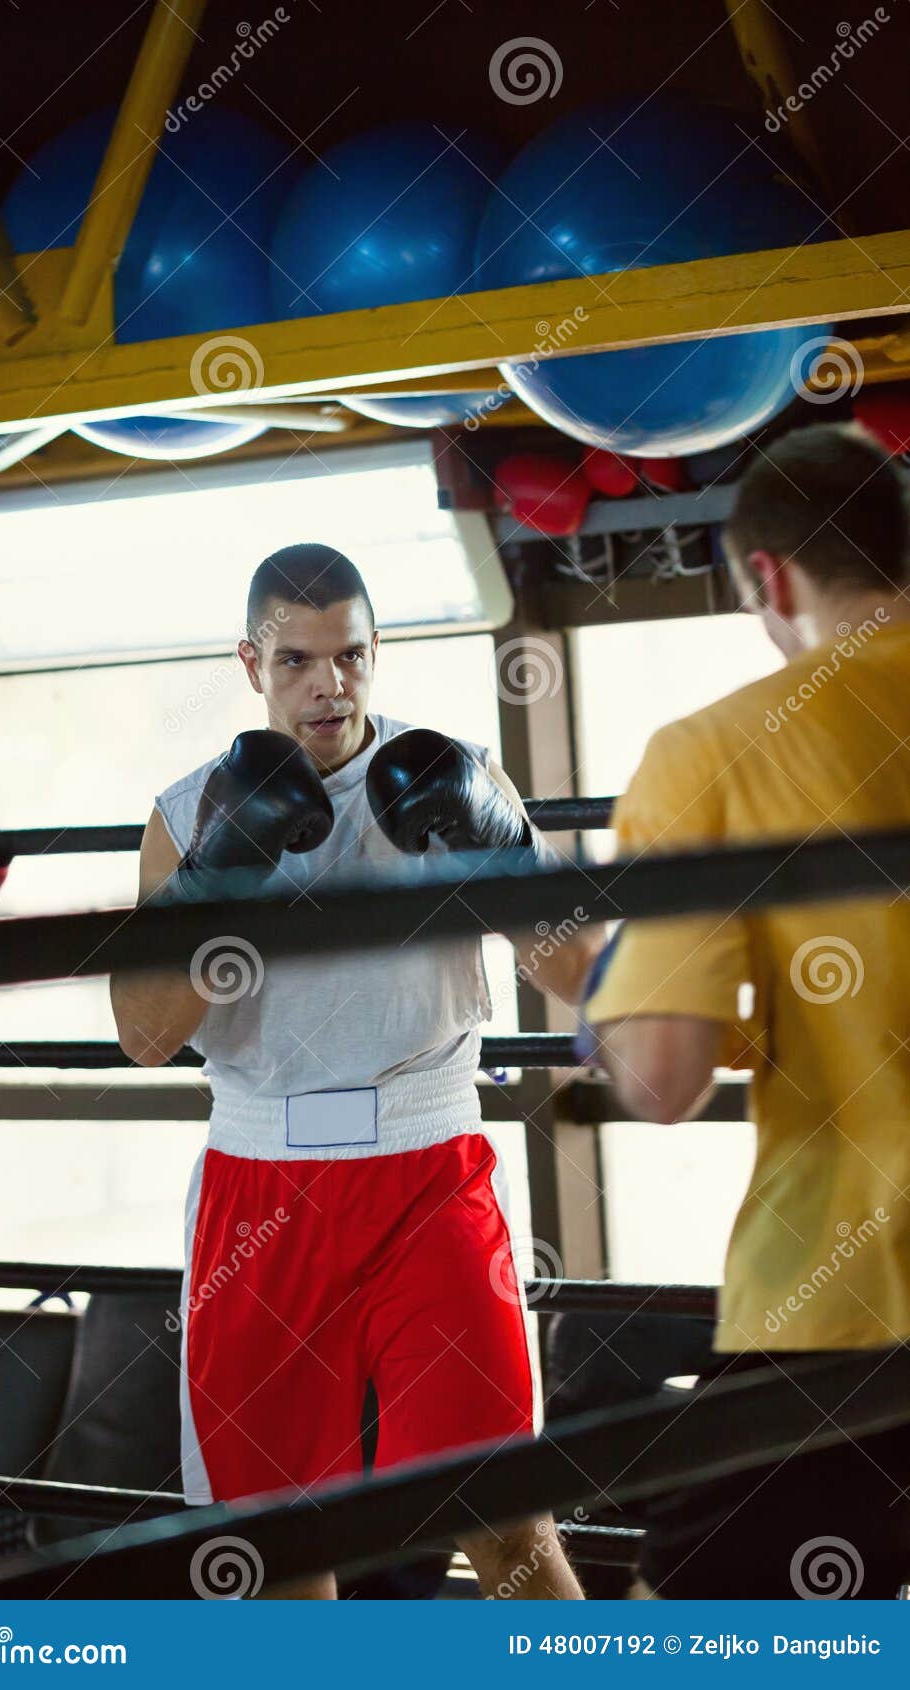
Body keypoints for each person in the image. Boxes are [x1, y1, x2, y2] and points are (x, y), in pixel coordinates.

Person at [110, 543, 602, 1600]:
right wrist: (217, 881)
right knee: (278, 1553)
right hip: (260, 1197)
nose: (327, 685)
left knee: (506, 1523)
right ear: (250, 663)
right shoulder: (187, 814)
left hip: (427, 1173)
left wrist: (502, 846)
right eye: (295, 660)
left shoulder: (456, 776)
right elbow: (143, 1034)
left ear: (377, 655)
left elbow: (575, 974)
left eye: (349, 657)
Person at [580, 422, 910, 1599]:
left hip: (847, 1293)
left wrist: (606, 999)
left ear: (767, 578)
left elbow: (662, 1080)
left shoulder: (712, 751)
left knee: (686, 1626)